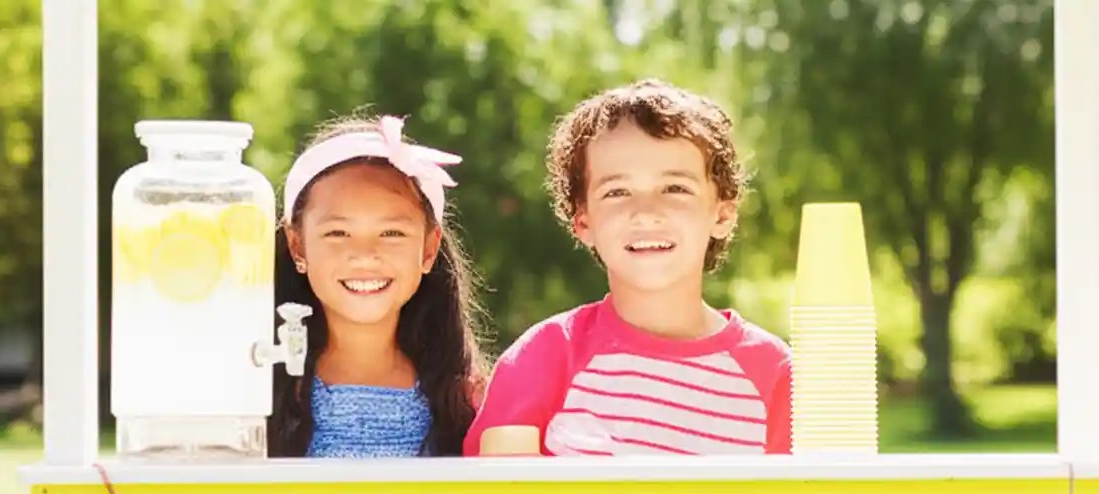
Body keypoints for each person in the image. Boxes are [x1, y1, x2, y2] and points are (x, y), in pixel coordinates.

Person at [464, 79, 792, 456]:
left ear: (723, 213)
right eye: (617, 192)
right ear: (583, 222)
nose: (646, 212)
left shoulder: (775, 375)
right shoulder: (543, 358)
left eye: (675, 188)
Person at [269, 112, 488, 458]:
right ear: (298, 245)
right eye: (338, 233)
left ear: (429, 249)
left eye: (392, 233)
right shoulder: (257, 390)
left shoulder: (467, 402)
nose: (365, 255)